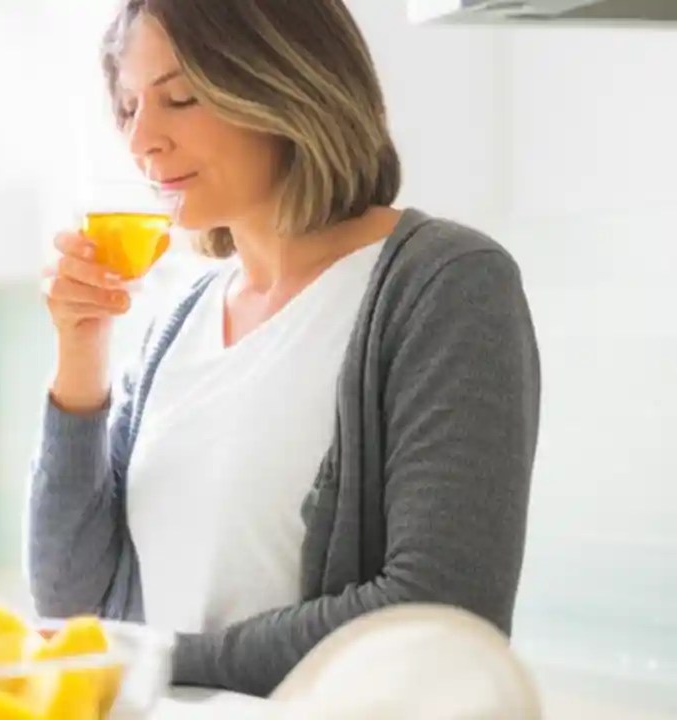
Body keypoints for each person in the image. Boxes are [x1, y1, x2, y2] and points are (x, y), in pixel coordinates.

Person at [27, 0, 541, 697]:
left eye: (181, 98)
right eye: (127, 108)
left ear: (284, 84)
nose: (142, 139)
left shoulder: (444, 284)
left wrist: (162, 660)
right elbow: (74, 608)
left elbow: (437, 613)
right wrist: (79, 354)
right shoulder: (178, 321)